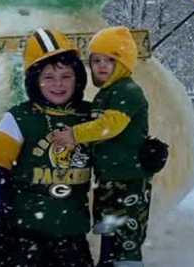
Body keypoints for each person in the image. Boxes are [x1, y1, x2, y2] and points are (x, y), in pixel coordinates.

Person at [0, 28, 95, 267]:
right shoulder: (18, 118)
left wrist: (145, 157)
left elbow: (116, 157)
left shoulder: (91, 116)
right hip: (23, 238)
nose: (58, 84)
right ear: (34, 81)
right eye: (48, 77)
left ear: (78, 77)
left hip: (71, 237)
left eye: (66, 75)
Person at [50, 26, 157, 267]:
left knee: (128, 233)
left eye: (111, 60)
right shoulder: (105, 93)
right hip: (108, 176)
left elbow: (110, 125)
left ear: (124, 62)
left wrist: (75, 135)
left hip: (129, 177)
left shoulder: (128, 91)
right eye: (96, 60)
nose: (102, 65)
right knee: (108, 226)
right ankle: (107, 261)